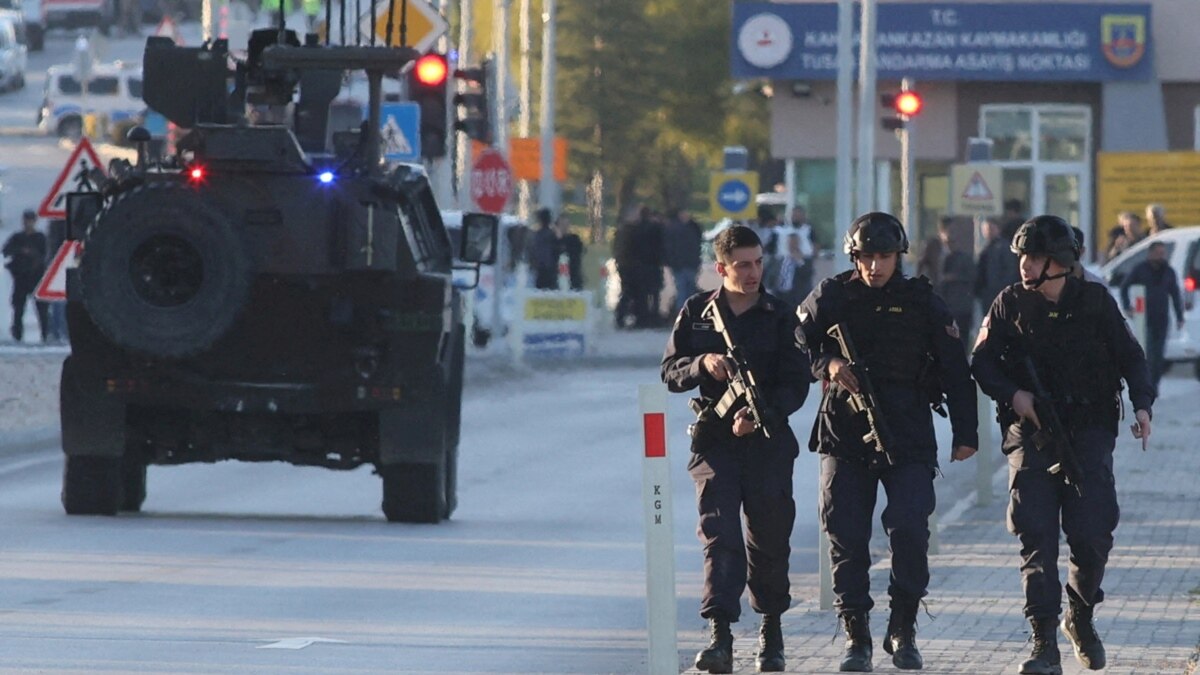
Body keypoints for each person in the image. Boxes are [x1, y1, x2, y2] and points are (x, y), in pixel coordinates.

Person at [971, 215, 1155, 675]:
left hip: (1089, 432)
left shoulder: (1095, 302)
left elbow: (1132, 357)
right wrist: (1014, 395)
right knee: (1036, 535)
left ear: (1060, 261)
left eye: (1035, 258)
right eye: (1023, 257)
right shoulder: (1009, 303)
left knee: (1092, 534)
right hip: (1031, 434)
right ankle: (1043, 642)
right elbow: (982, 362)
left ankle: (1081, 614)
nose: (1025, 266)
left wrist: (1143, 406)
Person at [797, 212, 978, 672]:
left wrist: (966, 434)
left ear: (899, 256)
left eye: (884, 256)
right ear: (853, 256)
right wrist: (829, 364)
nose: (874, 266)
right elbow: (798, 340)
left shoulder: (921, 301)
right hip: (844, 432)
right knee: (845, 534)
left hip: (907, 431)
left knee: (911, 529)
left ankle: (903, 628)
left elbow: (955, 368)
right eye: (866, 257)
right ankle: (855, 635)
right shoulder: (833, 295)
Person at [661, 224, 811, 674]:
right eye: (743, 265)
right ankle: (720, 636)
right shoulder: (697, 311)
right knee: (720, 537)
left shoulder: (780, 315)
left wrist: (763, 415)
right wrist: (702, 363)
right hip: (716, 444)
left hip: (766, 441)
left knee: (769, 539)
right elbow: (670, 371)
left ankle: (771, 632)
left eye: (758, 263)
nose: (753, 273)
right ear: (721, 268)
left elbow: (796, 383)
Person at [1120, 241, 1184, 392]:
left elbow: (1175, 295)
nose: (1161, 256)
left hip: (1162, 317)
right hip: (1145, 318)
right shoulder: (1140, 269)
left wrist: (1179, 316)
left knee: (1158, 355)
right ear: (1151, 253)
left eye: (1162, 253)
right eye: (1158, 253)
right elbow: (1124, 286)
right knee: (1147, 353)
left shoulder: (1168, 271)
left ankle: (1154, 386)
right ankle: (1146, 384)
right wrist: (1127, 306)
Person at [3, 210, 50, 343]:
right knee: (18, 309)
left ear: (34, 221)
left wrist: (33, 255)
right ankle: (17, 336)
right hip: (20, 278)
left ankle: (46, 335)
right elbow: (6, 250)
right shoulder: (17, 237)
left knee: (42, 310)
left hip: (37, 277)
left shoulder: (40, 238)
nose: (28, 223)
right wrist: (20, 251)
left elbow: (46, 254)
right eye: (26, 221)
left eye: (30, 220)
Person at [937, 216, 976, 351]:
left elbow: (972, 278)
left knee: (961, 340)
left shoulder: (963, 258)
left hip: (960, 307)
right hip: (945, 306)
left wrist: (953, 278)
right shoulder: (937, 254)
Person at [974, 215, 1021, 317]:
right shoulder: (986, 248)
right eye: (986, 229)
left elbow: (1010, 271)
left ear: (997, 229)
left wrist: (1002, 290)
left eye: (991, 228)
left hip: (998, 293)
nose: (988, 232)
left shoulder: (1003, 247)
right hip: (987, 295)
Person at [664, 208, 703, 314]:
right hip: (685, 264)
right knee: (686, 289)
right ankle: (685, 313)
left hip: (685, 264)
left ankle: (683, 313)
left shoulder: (675, 228)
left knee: (685, 289)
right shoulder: (690, 228)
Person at [528, 207, 559, 290]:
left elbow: (533, 253)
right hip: (551, 270)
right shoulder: (553, 235)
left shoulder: (537, 236)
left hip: (540, 270)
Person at [553, 213, 585, 291]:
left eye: (566, 224)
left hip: (573, 277)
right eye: (562, 225)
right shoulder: (553, 240)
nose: (564, 227)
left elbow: (577, 254)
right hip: (556, 279)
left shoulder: (574, 239)